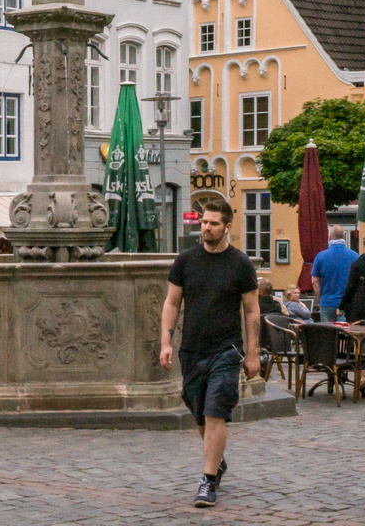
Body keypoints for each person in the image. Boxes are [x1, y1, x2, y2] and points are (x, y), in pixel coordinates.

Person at [160, 196, 261, 509]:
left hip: (226, 350)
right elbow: (171, 303)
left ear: (227, 227)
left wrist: (253, 353)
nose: (206, 227)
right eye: (203, 222)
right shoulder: (185, 261)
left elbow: (252, 310)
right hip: (191, 350)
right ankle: (216, 460)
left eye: (213, 223)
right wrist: (165, 342)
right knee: (200, 414)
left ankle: (208, 482)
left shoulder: (240, 264)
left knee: (215, 411)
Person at [310, 226, 358, 322]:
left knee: (328, 334)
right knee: (346, 334)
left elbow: (314, 280)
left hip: (327, 302)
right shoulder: (355, 256)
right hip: (347, 303)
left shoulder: (320, 256)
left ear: (330, 238)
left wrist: (321, 296)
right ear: (343, 237)